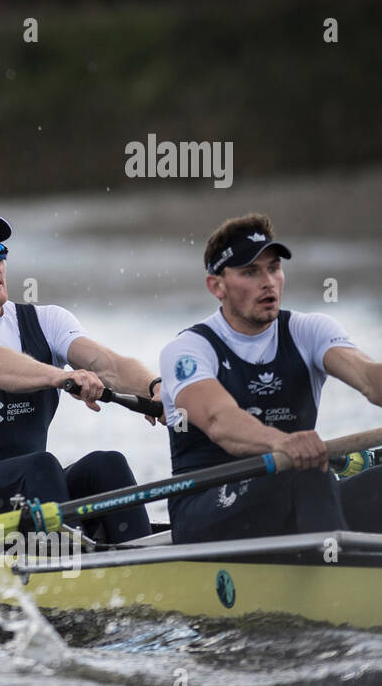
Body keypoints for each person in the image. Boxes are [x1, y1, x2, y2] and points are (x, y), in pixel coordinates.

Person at [0, 214, 160, 541]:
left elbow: (109, 364)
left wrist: (157, 389)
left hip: (29, 495)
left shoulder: (47, 320)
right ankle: (76, 568)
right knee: (39, 466)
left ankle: (141, 559)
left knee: (106, 464)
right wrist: (61, 377)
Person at [159, 213, 382, 542]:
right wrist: (283, 443)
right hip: (205, 507)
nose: (267, 282)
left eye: (274, 268)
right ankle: (336, 579)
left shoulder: (310, 330)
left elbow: (367, 377)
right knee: (302, 471)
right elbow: (221, 421)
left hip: (294, 491)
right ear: (216, 285)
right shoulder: (187, 350)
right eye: (250, 272)